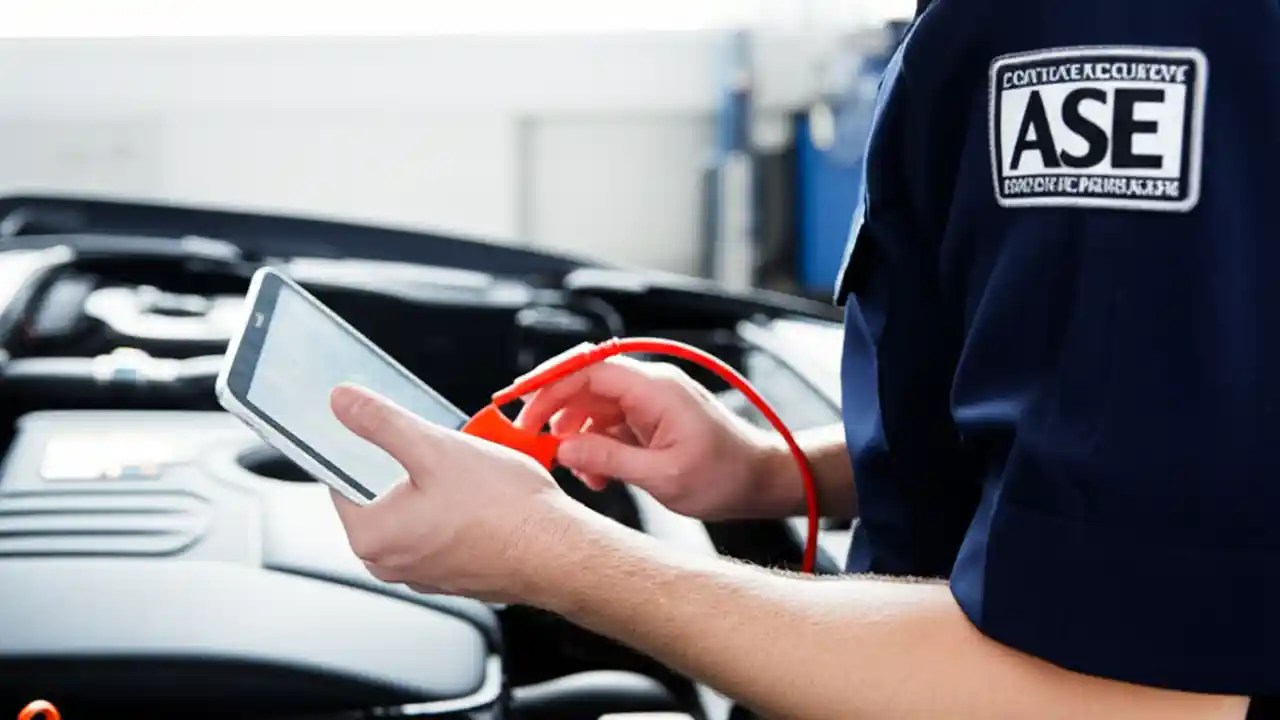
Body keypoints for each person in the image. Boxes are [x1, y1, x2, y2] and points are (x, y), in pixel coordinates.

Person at [325, 0, 1278, 717]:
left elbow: (1121, 697)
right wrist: (764, 472)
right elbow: (1118, 449)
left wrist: (551, 555)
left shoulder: (1106, 31)